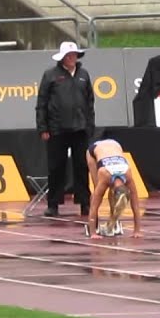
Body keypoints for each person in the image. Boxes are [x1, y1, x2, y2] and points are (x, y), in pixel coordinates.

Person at [35, 41, 96, 217]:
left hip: (80, 129)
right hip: (56, 130)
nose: (72, 58)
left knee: (82, 166)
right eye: (69, 55)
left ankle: (84, 203)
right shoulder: (50, 75)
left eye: (74, 55)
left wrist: (89, 126)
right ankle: (53, 204)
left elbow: (90, 102)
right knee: (56, 167)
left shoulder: (84, 75)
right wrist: (43, 128)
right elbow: (42, 103)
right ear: (62, 58)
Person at [85, 138, 143, 238]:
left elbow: (136, 206)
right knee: (96, 192)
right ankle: (94, 226)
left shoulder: (128, 176)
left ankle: (112, 222)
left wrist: (137, 231)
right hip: (95, 149)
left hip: (115, 145)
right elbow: (94, 206)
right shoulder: (104, 175)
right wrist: (93, 233)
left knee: (104, 196)